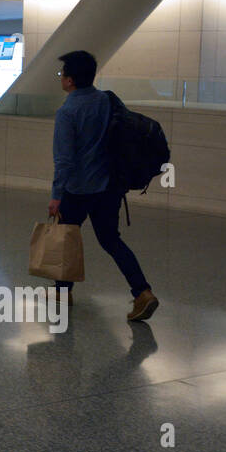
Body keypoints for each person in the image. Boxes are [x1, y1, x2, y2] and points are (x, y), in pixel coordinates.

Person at [50, 50, 158, 321]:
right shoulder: (107, 100)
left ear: (71, 80)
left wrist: (56, 196)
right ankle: (142, 292)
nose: (61, 78)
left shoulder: (67, 112)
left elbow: (64, 160)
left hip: (77, 189)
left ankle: (63, 294)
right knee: (111, 240)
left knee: (65, 238)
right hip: (109, 187)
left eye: (62, 73)